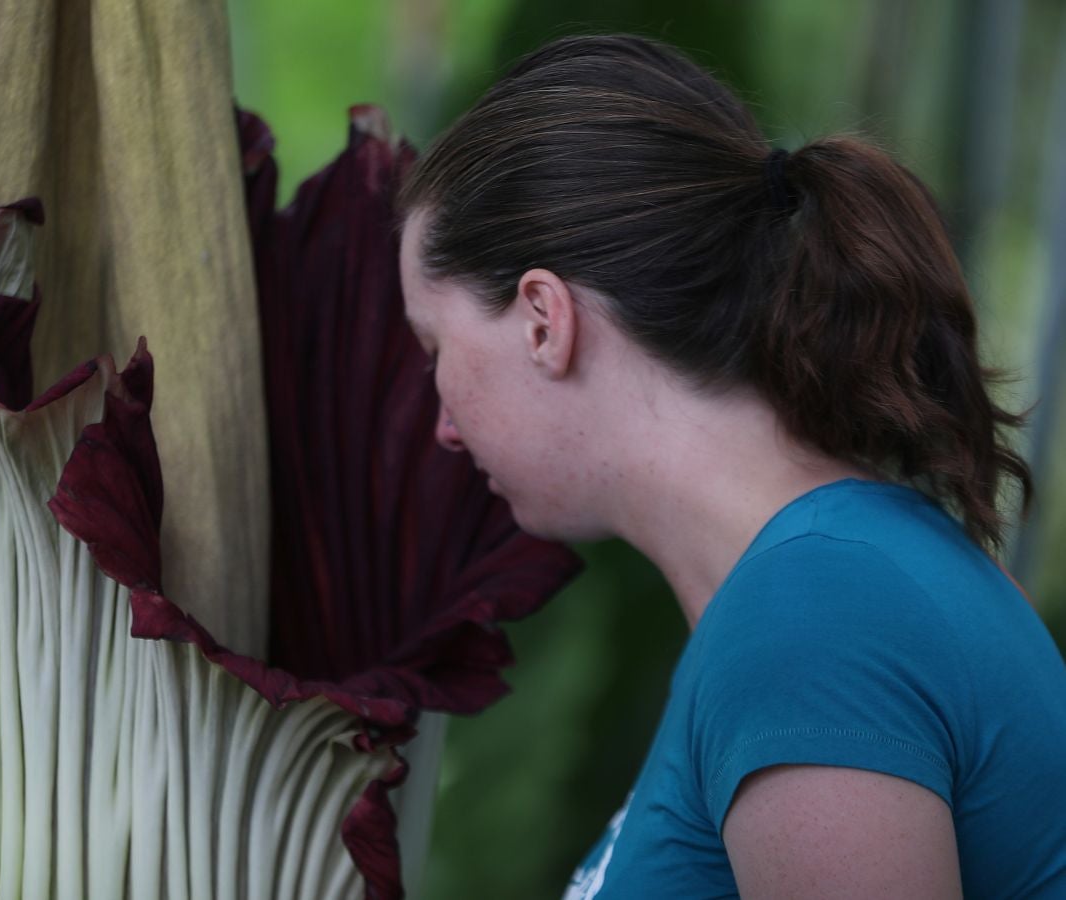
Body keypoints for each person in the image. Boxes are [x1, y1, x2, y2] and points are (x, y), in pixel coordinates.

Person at [396, 33, 1066, 898]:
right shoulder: (817, 587)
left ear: (542, 322)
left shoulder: (809, 621)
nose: (442, 425)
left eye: (435, 347)